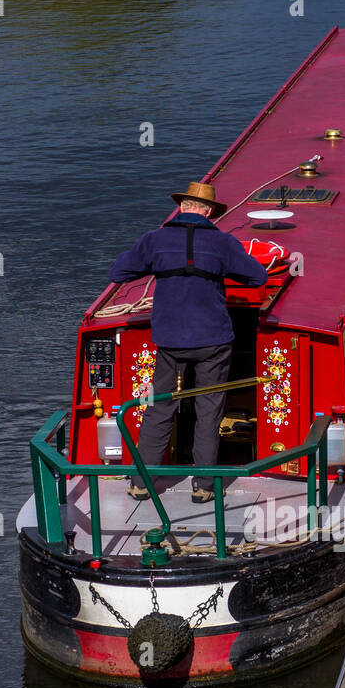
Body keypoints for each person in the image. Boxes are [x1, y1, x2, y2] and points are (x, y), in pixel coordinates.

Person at [108, 180, 268, 503]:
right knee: (209, 412)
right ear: (208, 212)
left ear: (181, 207)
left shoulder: (155, 240)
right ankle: (204, 486)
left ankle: (141, 483)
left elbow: (118, 272)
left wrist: (159, 266)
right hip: (213, 342)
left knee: (159, 408)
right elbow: (258, 277)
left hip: (170, 342)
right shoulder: (223, 243)